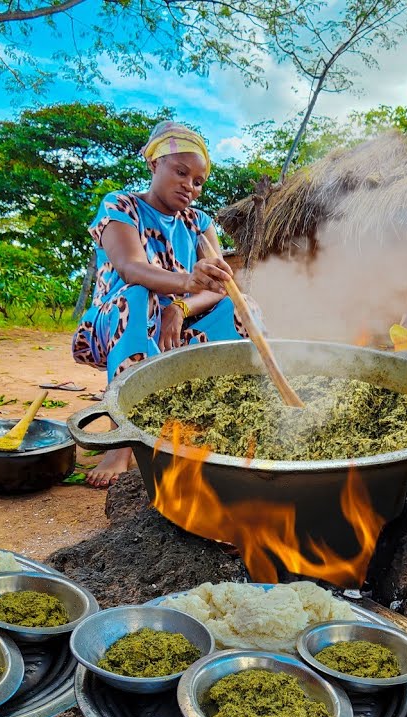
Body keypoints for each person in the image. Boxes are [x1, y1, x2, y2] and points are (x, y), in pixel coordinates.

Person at [72, 121, 250, 488]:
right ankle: (121, 441)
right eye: (181, 172)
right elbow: (131, 268)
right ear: (154, 165)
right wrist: (186, 283)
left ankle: (223, 420)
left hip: (175, 327)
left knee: (244, 306)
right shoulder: (121, 206)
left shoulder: (198, 222)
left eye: (198, 181)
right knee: (139, 296)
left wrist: (181, 307)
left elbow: (221, 285)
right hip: (120, 321)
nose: (190, 185)